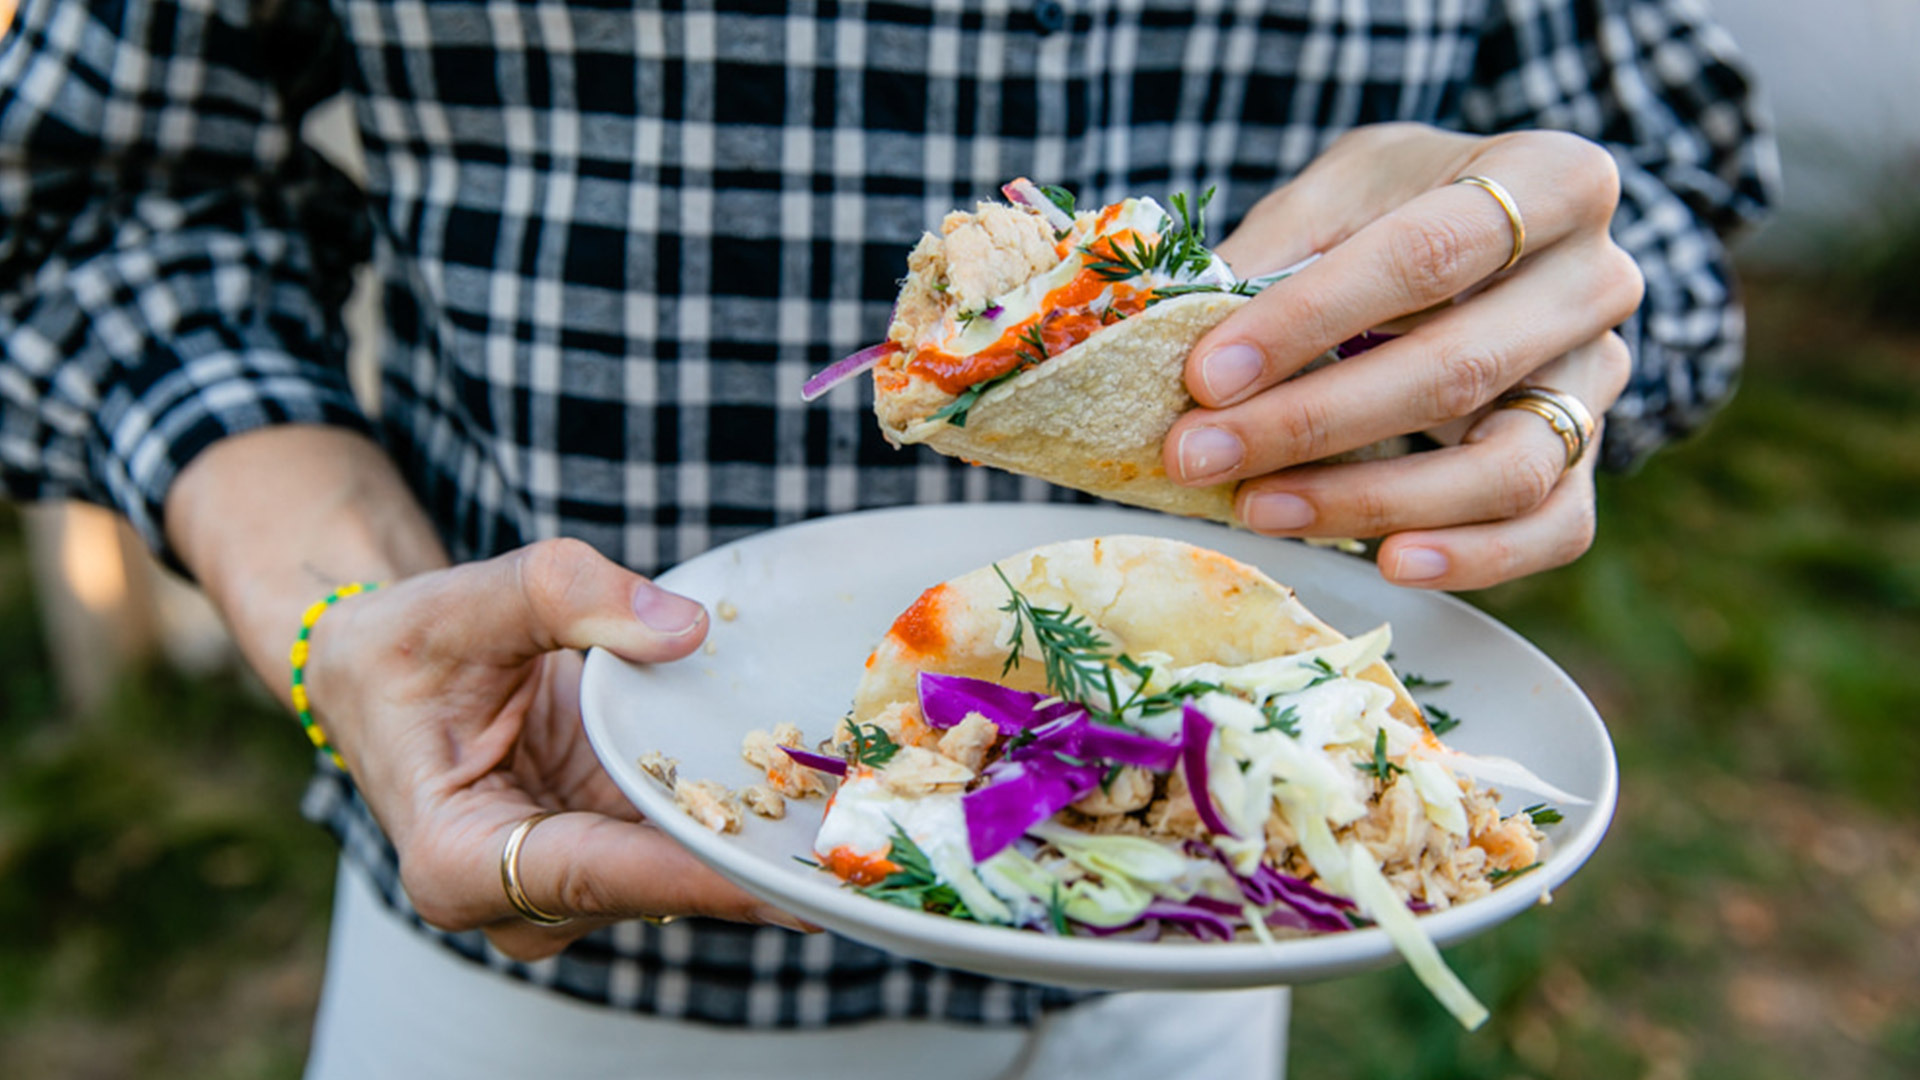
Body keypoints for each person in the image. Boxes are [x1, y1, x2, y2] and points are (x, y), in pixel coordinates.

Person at [0, 0, 1774, 1076]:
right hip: (549, 947)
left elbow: (1664, 199)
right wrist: (344, 627)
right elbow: (98, 208)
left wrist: (1546, 312)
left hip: (1212, 945)